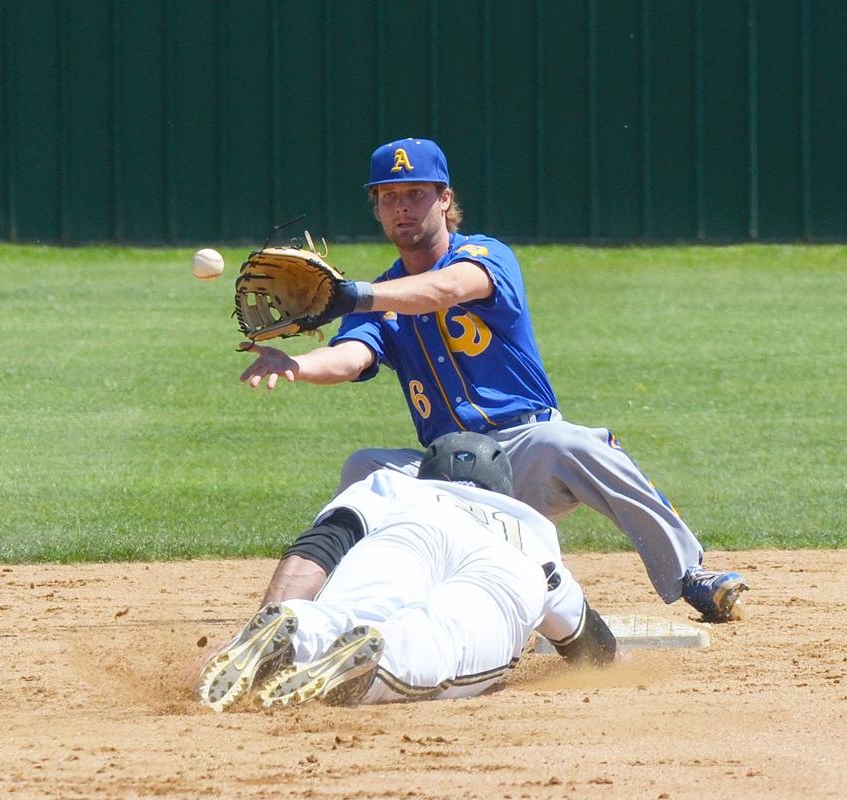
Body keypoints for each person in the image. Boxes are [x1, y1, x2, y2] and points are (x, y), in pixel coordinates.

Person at [239, 137, 747, 622]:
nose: (402, 207)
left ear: (445, 199)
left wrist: (355, 294)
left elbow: (447, 288)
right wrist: (296, 365)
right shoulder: (381, 295)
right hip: (444, 471)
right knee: (365, 468)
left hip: (524, 452)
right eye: (389, 196)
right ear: (376, 207)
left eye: (416, 193)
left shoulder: (483, 255)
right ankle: (343, 598)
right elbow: (349, 357)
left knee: (571, 443)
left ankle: (689, 573)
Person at [194, 432, 616, 711]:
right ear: (503, 487)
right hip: (502, 568)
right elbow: (585, 639)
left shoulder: (396, 485)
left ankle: (301, 631)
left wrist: (265, 615)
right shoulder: (531, 529)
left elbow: (320, 546)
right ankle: (379, 659)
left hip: (410, 529)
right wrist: (611, 658)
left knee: (346, 610)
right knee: (436, 640)